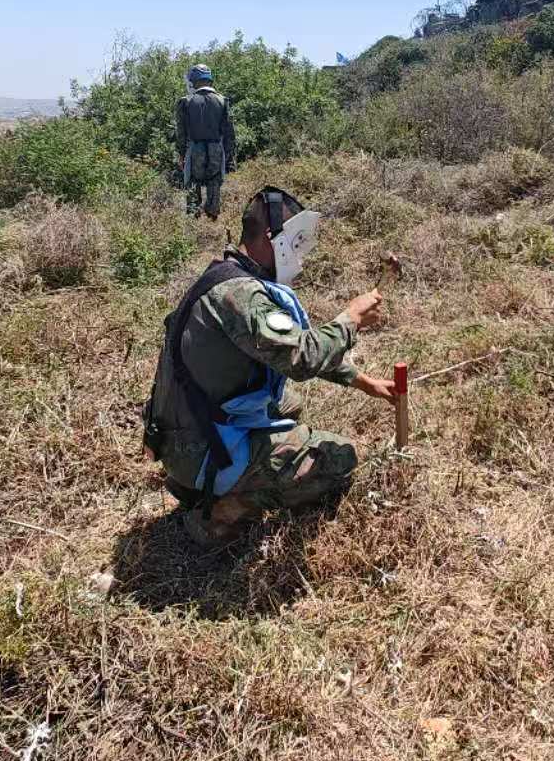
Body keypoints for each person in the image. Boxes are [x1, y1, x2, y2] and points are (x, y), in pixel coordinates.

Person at [142, 186, 398, 547]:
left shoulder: (226, 276)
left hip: (184, 432)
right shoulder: (240, 295)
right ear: (270, 237)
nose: (300, 258)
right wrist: (350, 319)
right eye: (297, 243)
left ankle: (212, 481)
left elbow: (281, 348)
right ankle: (219, 512)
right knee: (340, 458)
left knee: (288, 403)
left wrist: (363, 381)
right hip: (199, 448)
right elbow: (301, 357)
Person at [175, 65, 236, 219]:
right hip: (216, 149)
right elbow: (229, 133)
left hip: (195, 150)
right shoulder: (223, 101)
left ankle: (194, 222)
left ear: (193, 80)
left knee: (192, 184)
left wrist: (181, 155)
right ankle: (213, 221)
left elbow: (181, 133)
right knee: (214, 185)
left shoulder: (186, 102)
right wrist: (228, 157)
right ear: (209, 79)